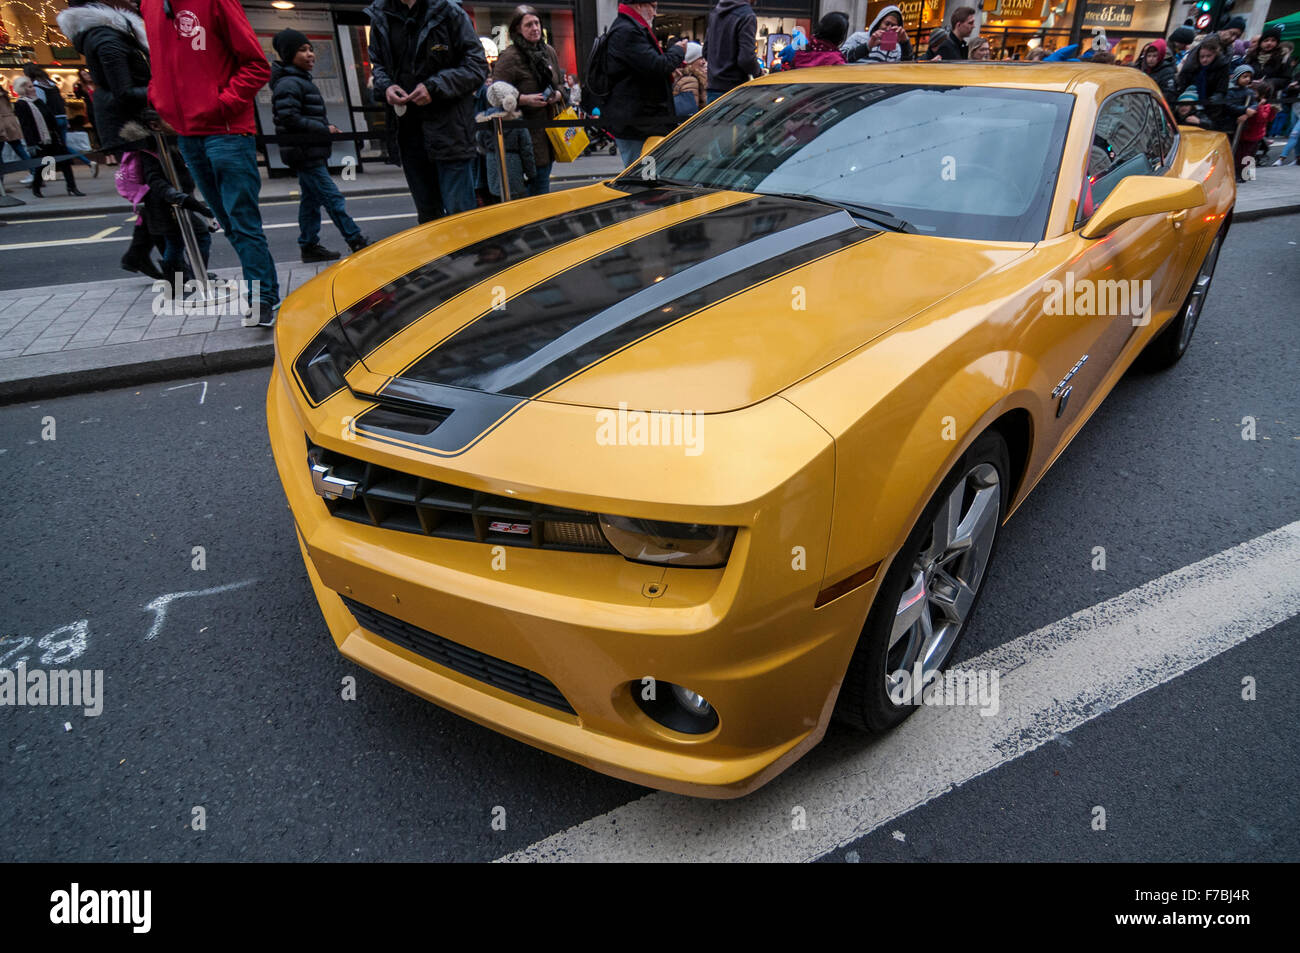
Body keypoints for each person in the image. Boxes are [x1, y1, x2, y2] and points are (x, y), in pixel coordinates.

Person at [141, 0, 279, 326]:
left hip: (227, 131)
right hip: (187, 134)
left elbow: (257, 65)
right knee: (228, 223)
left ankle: (262, 297)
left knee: (242, 221)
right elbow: (160, 66)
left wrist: (222, 105)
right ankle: (264, 293)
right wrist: (157, 101)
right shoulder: (149, 6)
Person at [365, 0, 488, 223]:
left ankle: (464, 256)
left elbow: (477, 67)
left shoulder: (449, 12)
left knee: (461, 219)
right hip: (408, 133)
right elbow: (379, 65)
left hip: (450, 131)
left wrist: (435, 87)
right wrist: (386, 87)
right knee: (428, 220)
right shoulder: (381, 15)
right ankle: (441, 259)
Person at [271, 29, 369, 262]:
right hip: (305, 152)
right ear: (288, 55)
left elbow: (298, 116)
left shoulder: (298, 80)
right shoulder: (289, 83)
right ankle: (356, 240)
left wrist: (324, 127)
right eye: (302, 50)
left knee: (311, 201)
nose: (310, 54)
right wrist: (323, 129)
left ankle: (308, 245)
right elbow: (288, 117)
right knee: (332, 197)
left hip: (308, 150)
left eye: (310, 49)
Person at [605, 1, 687, 167]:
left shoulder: (629, 27)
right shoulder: (628, 31)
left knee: (646, 178)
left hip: (641, 122)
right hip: (638, 125)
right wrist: (678, 51)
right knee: (642, 180)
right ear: (639, 5)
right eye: (653, 7)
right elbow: (657, 65)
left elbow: (645, 68)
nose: (655, 13)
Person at [493, 5, 564, 197]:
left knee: (542, 188)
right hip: (522, 138)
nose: (535, 28)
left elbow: (561, 84)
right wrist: (523, 99)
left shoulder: (548, 51)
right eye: (528, 25)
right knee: (533, 193)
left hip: (549, 135)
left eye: (537, 23)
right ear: (517, 29)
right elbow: (494, 95)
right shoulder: (509, 57)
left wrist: (557, 95)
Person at [11, 75, 82, 197]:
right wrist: (31, 143)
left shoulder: (38, 101)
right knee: (42, 165)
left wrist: (59, 134)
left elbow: (50, 117)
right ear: (23, 89)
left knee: (65, 162)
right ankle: (36, 187)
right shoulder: (21, 104)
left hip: (52, 137)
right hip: (39, 140)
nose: (33, 88)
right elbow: (25, 125)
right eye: (30, 86)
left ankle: (72, 187)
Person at [474, 80, 536, 200]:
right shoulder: (517, 121)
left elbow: (479, 142)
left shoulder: (484, 120)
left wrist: (488, 153)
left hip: (492, 162)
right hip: (515, 165)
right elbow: (526, 149)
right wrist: (531, 173)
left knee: (497, 199)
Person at [705, 0, 759, 103]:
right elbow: (746, 59)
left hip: (713, 88)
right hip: (734, 92)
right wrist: (759, 74)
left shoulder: (715, 13)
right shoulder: (747, 15)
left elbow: (706, 51)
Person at [1176, 34, 1230, 130]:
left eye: (1209, 56)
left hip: (1210, 106)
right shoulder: (1192, 65)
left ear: (1215, 54)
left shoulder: (1222, 66)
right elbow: (1183, 83)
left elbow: (1221, 89)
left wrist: (1213, 100)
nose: (1205, 60)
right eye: (1202, 57)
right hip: (1189, 102)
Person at [844, 5, 913, 64]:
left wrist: (905, 43)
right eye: (887, 24)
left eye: (893, 26)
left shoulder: (897, 49)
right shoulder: (858, 37)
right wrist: (868, 46)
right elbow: (841, 58)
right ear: (879, 22)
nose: (889, 28)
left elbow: (906, 67)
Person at [1237, 81, 1275, 177]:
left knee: (1248, 154)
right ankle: (1240, 173)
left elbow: (1262, 118)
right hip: (1245, 132)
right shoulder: (1250, 102)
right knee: (1241, 153)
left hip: (1254, 134)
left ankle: (1246, 175)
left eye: (1255, 92)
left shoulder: (1266, 106)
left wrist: (1260, 106)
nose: (1252, 94)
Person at [1244, 25, 1294, 100]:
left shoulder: (1283, 58)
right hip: (1247, 93)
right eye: (1266, 40)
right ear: (1261, 42)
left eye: (1273, 40)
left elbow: (1286, 79)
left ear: (1277, 43)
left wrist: (1269, 83)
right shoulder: (1251, 56)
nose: (1269, 43)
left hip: (1269, 97)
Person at [1135, 39, 1177, 105]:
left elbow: (1168, 94)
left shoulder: (1167, 71)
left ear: (1160, 56)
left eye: (1154, 56)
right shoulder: (1144, 69)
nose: (1151, 59)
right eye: (1149, 56)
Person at [672, 42, 707, 116]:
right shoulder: (691, 80)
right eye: (700, 58)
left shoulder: (684, 77)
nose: (704, 62)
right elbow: (690, 112)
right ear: (690, 61)